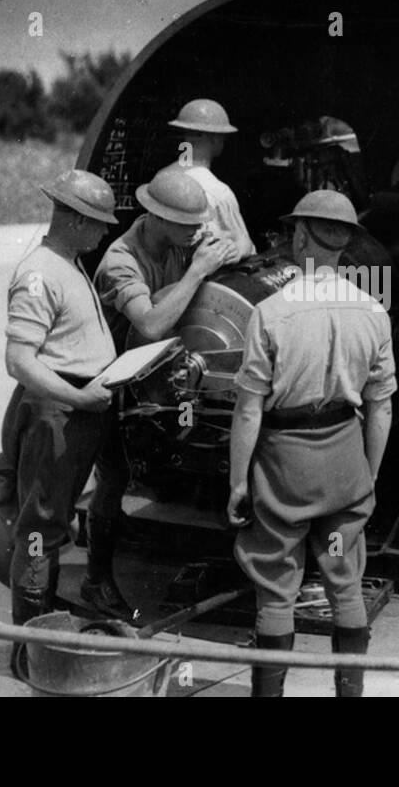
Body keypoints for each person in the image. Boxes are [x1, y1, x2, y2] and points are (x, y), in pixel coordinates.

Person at [227, 190, 396, 697]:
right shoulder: (373, 311)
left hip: (284, 466)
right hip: (345, 458)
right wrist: (365, 475)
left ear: (300, 236)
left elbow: (249, 408)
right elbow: (381, 407)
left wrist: (239, 482)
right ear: (346, 244)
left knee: (277, 587)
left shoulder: (270, 313)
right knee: (344, 578)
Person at [86, 165, 236, 603]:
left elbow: (239, 245)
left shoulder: (178, 239)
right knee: (111, 478)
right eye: (188, 224)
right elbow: (150, 324)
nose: (196, 232)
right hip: (111, 382)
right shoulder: (121, 260)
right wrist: (198, 271)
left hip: (154, 377)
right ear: (157, 217)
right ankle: (96, 578)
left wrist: (220, 250)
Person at [1, 169, 122, 663]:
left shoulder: (68, 264)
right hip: (60, 409)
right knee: (40, 529)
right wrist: (77, 400)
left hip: (80, 405)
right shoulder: (40, 272)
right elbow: (20, 361)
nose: (103, 232)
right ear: (71, 218)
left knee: (50, 524)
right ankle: (30, 646)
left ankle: (42, 628)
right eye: (95, 222)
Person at [167, 98, 255, 258]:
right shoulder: (217, 191)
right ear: (215, 138)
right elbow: (245, 247)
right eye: (222, 136)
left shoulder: (162, 177)